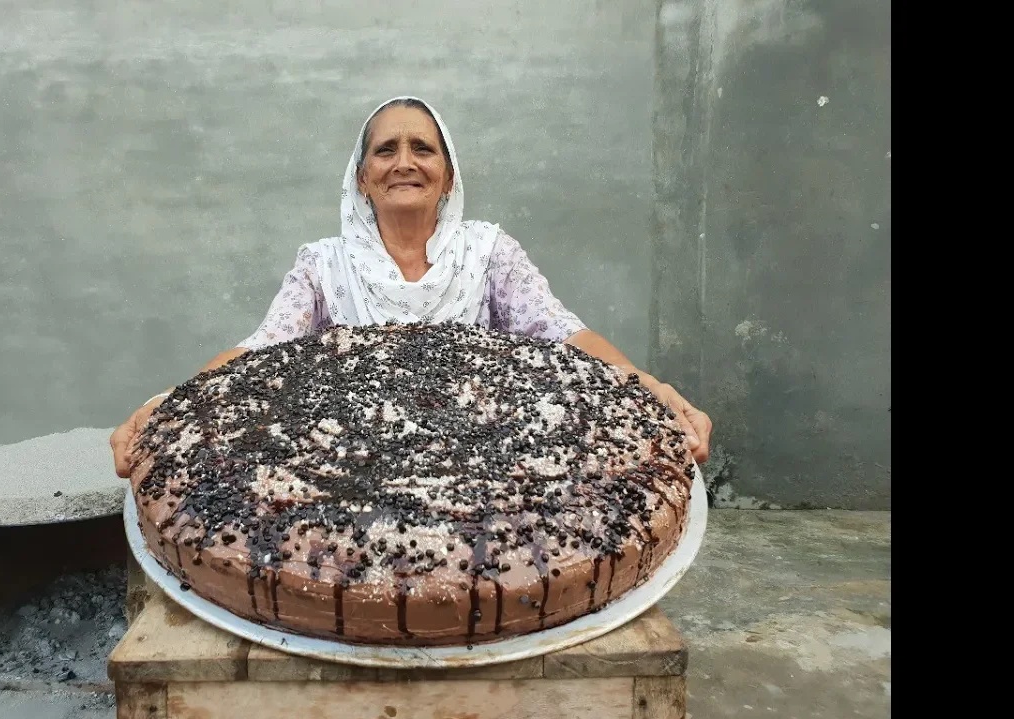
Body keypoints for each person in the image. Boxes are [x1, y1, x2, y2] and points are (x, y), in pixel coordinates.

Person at [110, 96, 712, 477]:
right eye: (385, 150)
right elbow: (261, 349)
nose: (404, 161)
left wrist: (651, 387)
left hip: (483, 461)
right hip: (352, 468)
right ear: (362, 178)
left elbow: (561, 330)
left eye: (423, 148)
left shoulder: (488, 251)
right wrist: (167, 402)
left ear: (448, 177)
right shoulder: (324, 264)